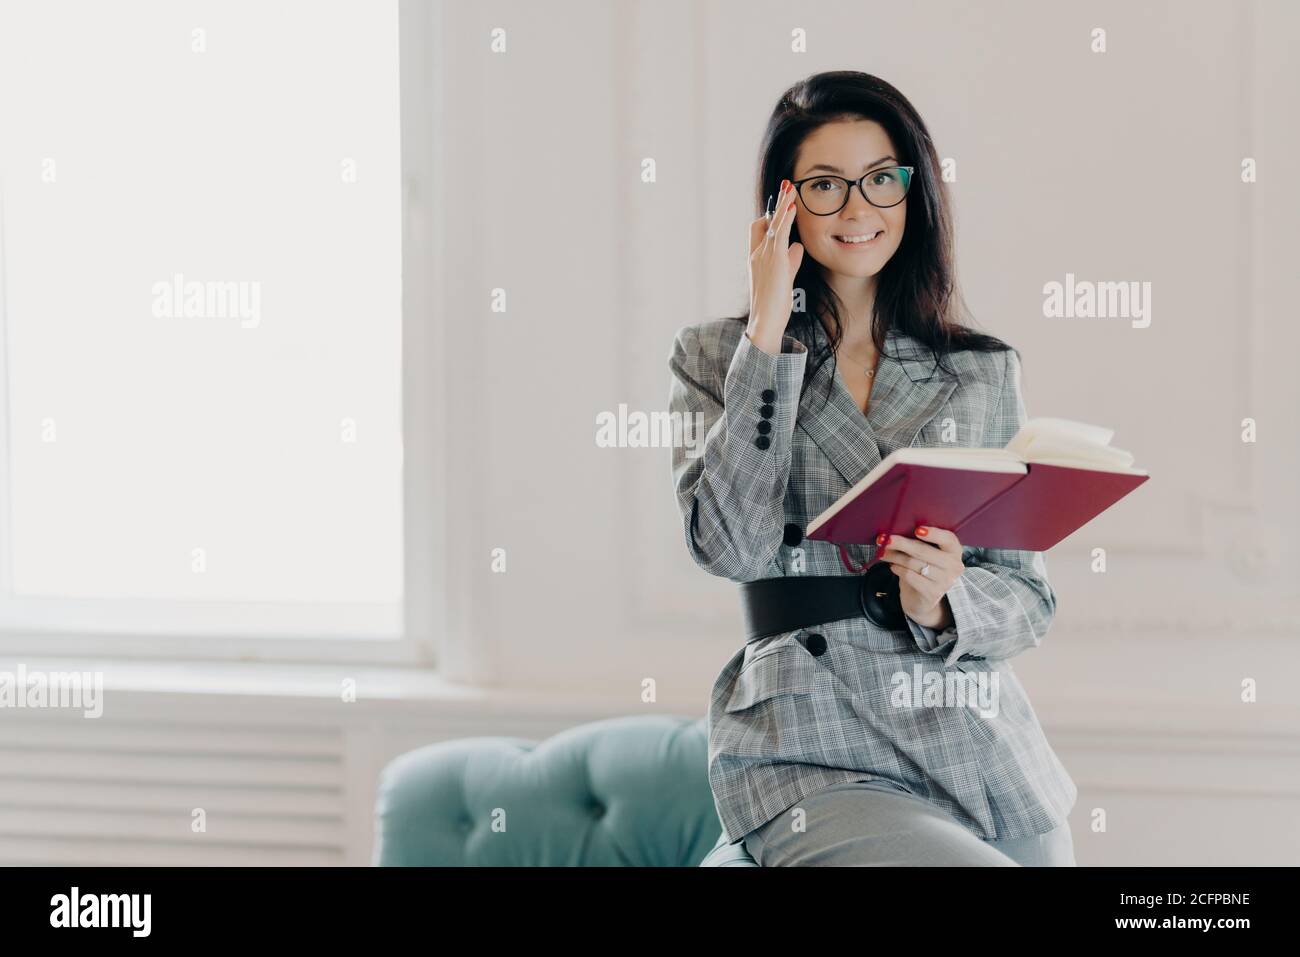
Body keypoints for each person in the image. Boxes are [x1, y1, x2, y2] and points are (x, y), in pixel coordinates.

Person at [669, 71, 1076, 866]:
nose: (859, 209)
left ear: (912, 193)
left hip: (977, 743)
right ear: (785, 204)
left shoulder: (981, 369)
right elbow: (728, 545)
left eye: (881, 179)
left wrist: (944, 600)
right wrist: (766, 333)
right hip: (812, 742)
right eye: (827, 185)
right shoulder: (716, 355)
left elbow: (1027, 600)